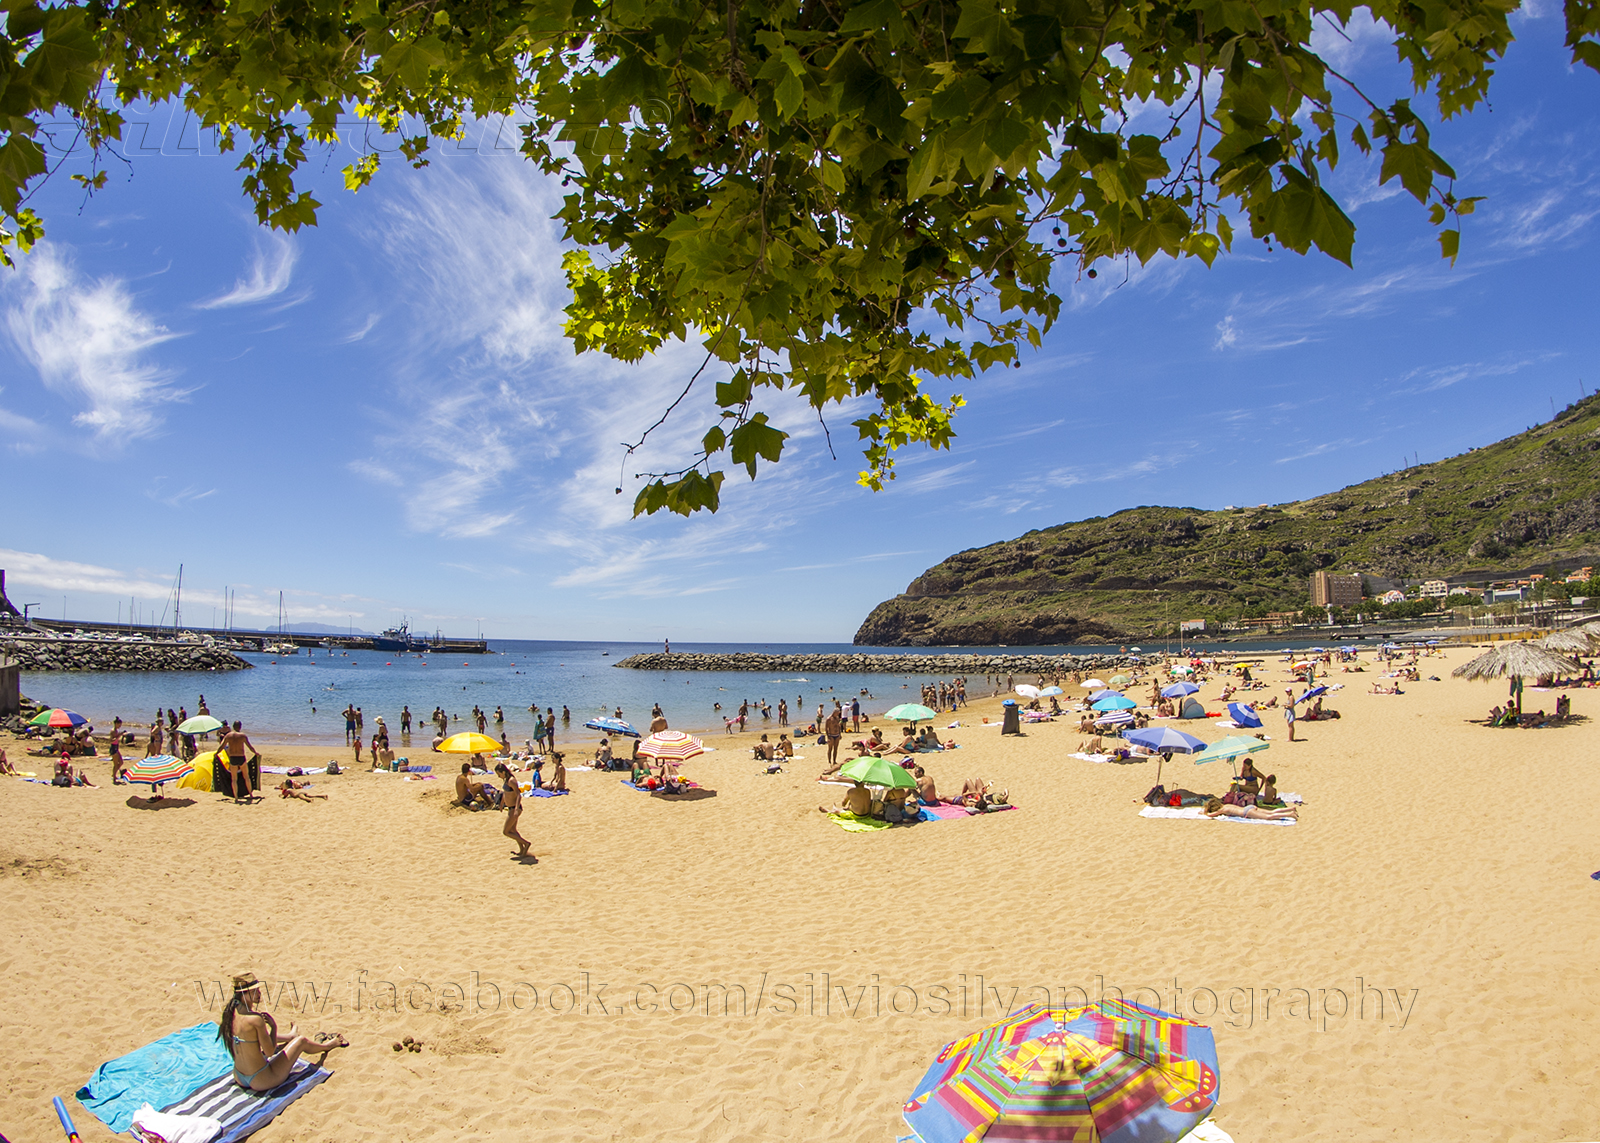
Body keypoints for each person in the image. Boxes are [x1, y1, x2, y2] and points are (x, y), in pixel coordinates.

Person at [219, 973, 346, 1091]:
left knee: (254, 1037)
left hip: (239, 1076)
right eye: (254, 991)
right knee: (301, 1041)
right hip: (261, 1080)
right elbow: (269, 1052)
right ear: (243, 994)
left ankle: (289, 1036)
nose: (259, 993)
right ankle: (328, 1046)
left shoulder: (230, 1013)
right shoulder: (255, 1019)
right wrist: (273, 1027)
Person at [495, 763, 533, 859]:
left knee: (506, 831)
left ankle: (526, 843)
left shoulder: (511, 780)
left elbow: (518, 795)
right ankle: (522, 849)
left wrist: (516, 808)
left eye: (499, 774)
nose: (498, 776)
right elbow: (505, 793)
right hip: (510, 808)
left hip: (514, 809)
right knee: (513, 830)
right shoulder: (506, 780)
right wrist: (501, 804)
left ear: (503, 772)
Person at [219, 720, 259, 802]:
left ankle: (236, 797)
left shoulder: (228, 736)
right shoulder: (242, 736)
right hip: (241, 757)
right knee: (246, 777)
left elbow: (222, 746)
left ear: (233, 726)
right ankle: (250, 794)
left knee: (234, 779)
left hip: (233, 758)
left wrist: (216, 753)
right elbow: (250, 747)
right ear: (240, 727)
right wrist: (255, 753)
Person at [1203, 797, 1298, 821]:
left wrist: (1204, 813)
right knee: (1271, 812)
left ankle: (1290, 814)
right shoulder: (1226, 805)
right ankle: (1291, 808)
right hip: (1249, 807)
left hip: (1247, 812)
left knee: (1269, 817)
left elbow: (1211, 815)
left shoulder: (1222, 810)